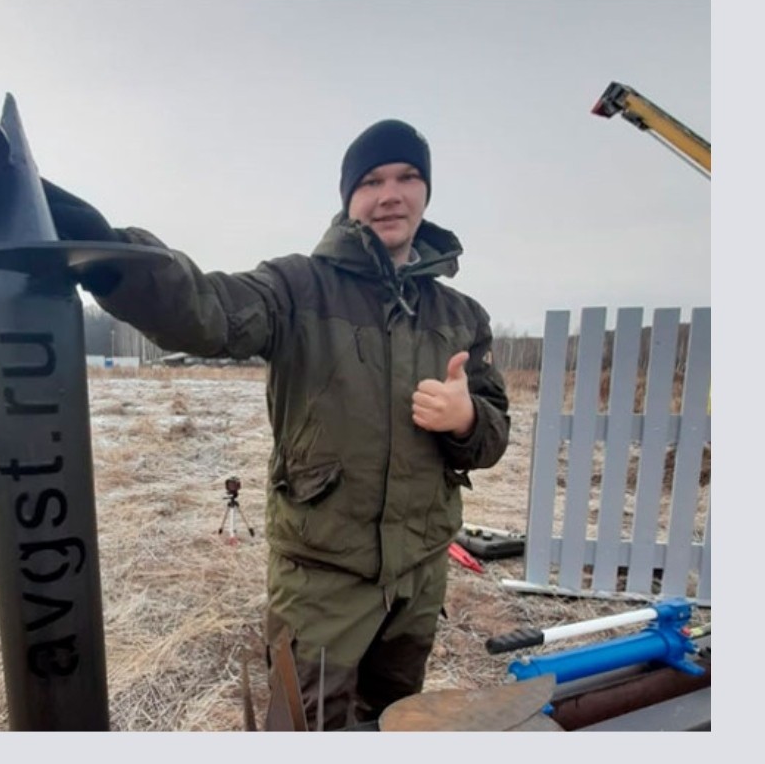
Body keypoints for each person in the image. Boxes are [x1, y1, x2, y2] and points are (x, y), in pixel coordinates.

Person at [42, 119, 510, 730]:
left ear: (425, 192)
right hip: (321, 579)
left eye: (406, 177)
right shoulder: (297, 288)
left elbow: (493, 434)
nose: (389, 194)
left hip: (418, 577)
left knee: (398, 722)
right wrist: (112, 258)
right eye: (371, 181)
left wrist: (467, 417)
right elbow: (207, 313)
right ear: (349, 198)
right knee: (303, 728)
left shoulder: (461, 316)